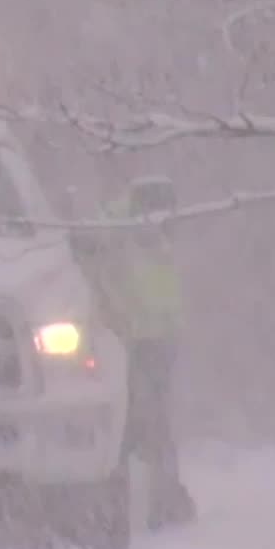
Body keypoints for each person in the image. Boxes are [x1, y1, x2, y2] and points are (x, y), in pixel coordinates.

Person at [81, 175, 197, 528]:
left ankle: (154, 498)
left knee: (150, 422)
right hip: (128, 343)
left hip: (159, 341)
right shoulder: (113, 233)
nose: (167, 225)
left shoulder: (151, 236)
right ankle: (122, 500)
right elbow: (97, 268)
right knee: (133, 424)